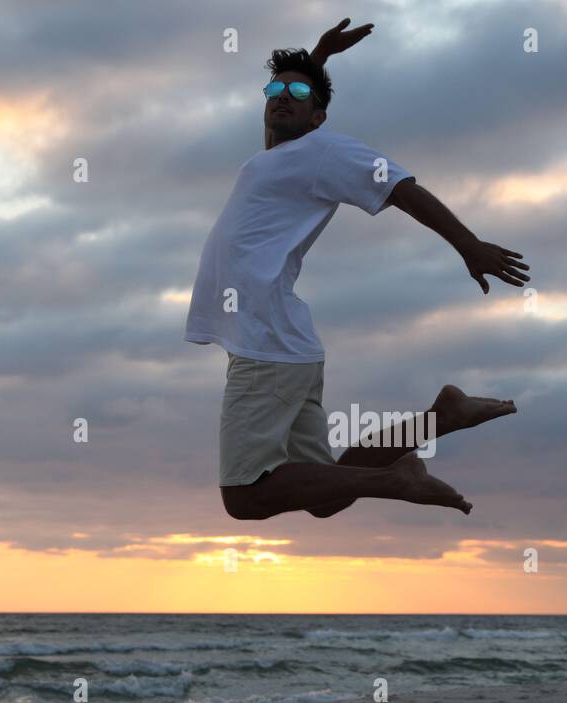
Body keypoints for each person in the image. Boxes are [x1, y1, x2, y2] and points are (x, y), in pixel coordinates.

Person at [185, 19, 530, 520]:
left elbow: (401, 187)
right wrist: (315, 60)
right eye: (274, 90)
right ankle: (439, 419)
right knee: (324, 499)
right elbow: (285, 123)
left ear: (320, 116)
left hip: (265, 338)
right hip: (277, 342)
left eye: (297, 92)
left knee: (246, 496)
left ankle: (394, 480)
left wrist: (469, 245)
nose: (282, 97)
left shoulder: (327, 150)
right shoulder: (280, 158)